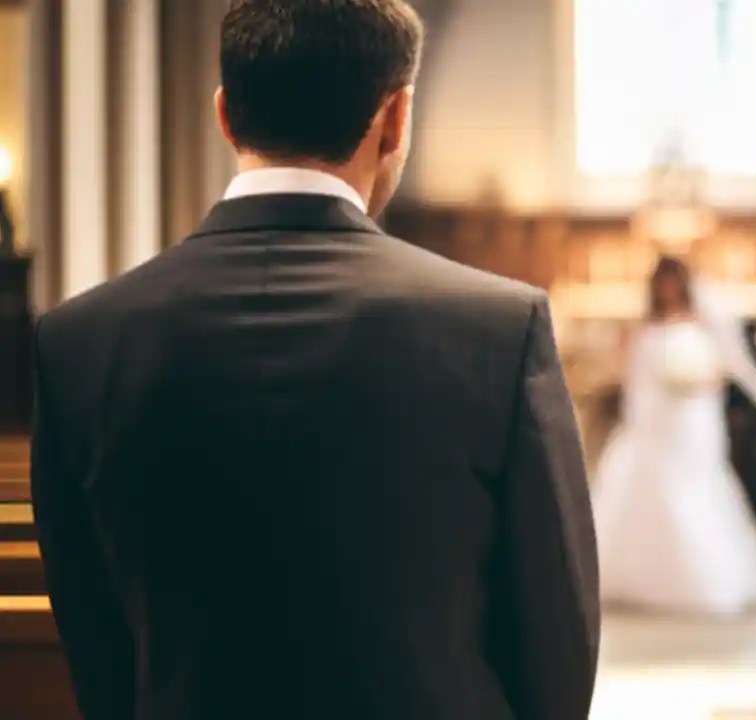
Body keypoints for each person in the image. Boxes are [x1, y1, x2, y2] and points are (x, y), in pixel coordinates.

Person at [29, 2, 598, 718]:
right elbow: (556, 640)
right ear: (395, 119)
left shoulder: (77, 342)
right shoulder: (498, 329)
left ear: (226, 115)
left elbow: (99, 650)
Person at [592, 257, 756, 615]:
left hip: (691, 419)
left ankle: (704, 576)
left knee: (693, 488)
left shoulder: (705, 324)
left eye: (673, 282)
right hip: (654, 420)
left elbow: (727, 371)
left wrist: (694, 380)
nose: (668, 289)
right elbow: (627, 376)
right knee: (652, 486)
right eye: (662, 282)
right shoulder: (643, 328)